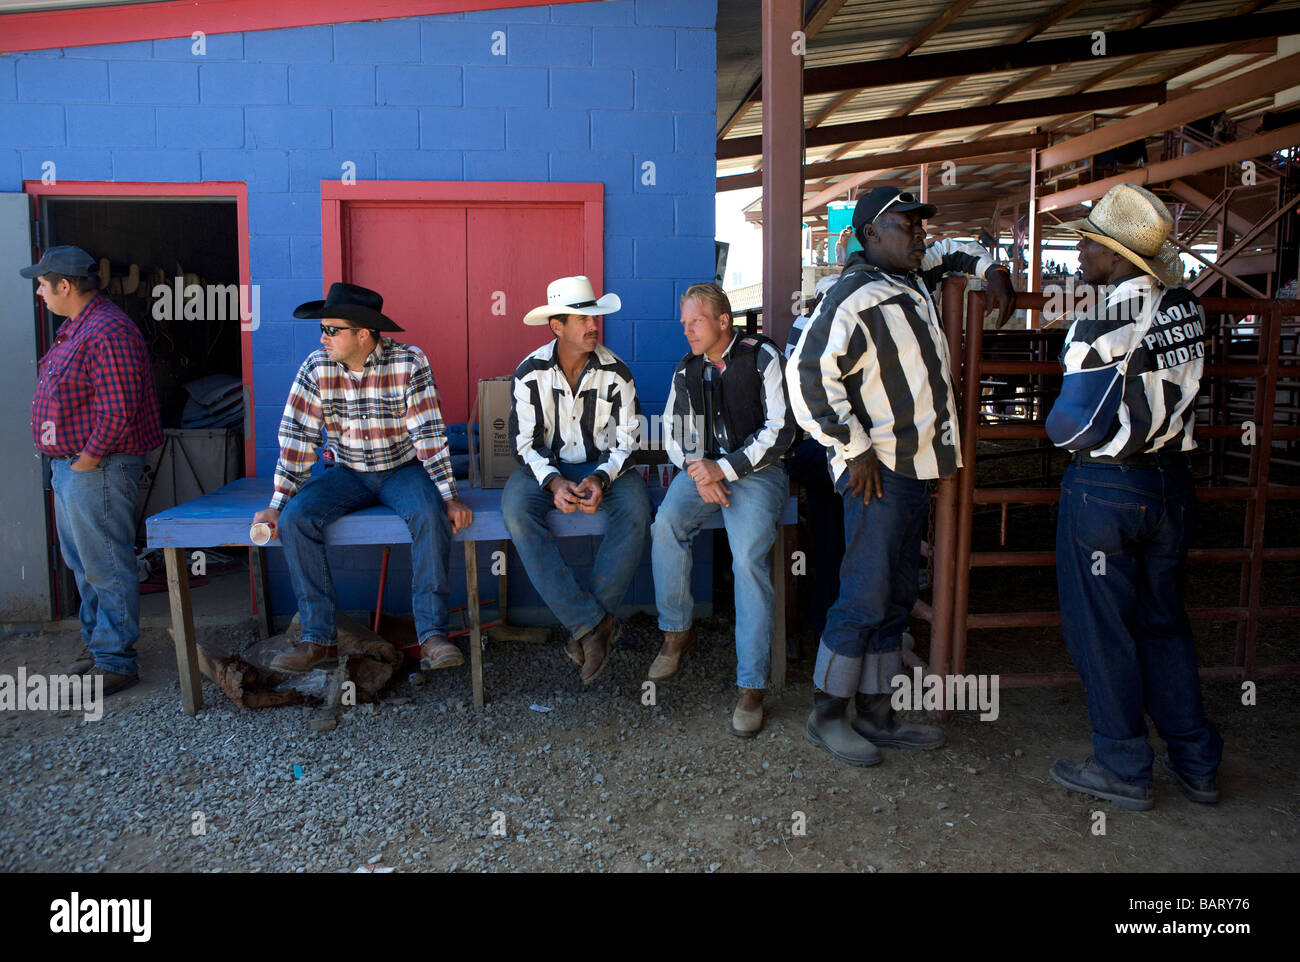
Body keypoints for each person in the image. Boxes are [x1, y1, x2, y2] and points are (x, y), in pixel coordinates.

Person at [787, 185, 1016, 767]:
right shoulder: (850, 295)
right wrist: (853, 448)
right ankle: (827, 714)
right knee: (863, 592)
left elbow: (958, 250)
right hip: (879, 471)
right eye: (906, 226)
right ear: (870, 235)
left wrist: (995, 271)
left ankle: (876, 709)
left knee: (895, 592)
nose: (919, 235)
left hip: (916, 468)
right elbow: (806, 374)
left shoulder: (911, 277)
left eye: (919, 225)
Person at [1048, 182, 1222, 810]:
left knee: (1103, 628)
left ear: (1119, 259)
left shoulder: (1098, 320)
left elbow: (1072, 423)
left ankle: (1122, 763)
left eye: (1089, 245)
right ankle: (1196, 759)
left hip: (1108, 486)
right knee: (1166, 624)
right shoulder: (1185, 309)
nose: (1081, 256)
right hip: (1173, 483)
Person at [252, 283, 472, 673]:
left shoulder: (409, 361)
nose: (323, 338)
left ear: (363, 334)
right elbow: (298, 438)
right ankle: (318, 640)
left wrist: (449, 495)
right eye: (322, 329)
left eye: (331, 329)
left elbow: (429, 433)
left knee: (428, 512)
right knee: (295, 520)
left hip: (402, 470)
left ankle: (433, 636)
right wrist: (277, 504)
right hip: (347, 473)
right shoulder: (316, 367)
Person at [650, 282, 795, 736]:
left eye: (695, 321)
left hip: (758, 473)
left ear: (722, 321)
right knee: (666, 524)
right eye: (684, 323)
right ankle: (677, 633)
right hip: (703, 472)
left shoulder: (762, 356)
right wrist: (700, 471)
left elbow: (782, 429)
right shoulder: (687, 369)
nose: (688, 330)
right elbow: (672, 433)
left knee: (748, 560)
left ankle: (751, 687)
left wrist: (725, 469)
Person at [24, 245, 164, 696]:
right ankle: (99, 645)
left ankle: (116, 660)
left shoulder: (107, 330)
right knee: (83, 563)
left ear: (65, 285)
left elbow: (118, 406)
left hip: (97, 467)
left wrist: (86, 460)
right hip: (73, 468)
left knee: (105, 563)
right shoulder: (78, 327)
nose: (40, 293)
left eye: (43, 284)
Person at [503, 276, 651, 685]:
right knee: (516, 512)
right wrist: (553, 483)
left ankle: (590, 626)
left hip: (605, 468)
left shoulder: (617, 373)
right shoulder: (529, 373)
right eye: (582, 318)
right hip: (545, 469)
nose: (592, 326)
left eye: (594, 317)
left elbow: (627, 443)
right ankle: (592, 624)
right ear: (557, 327)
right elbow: (523, 446)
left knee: (638, 510)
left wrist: (602, 478)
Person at [784, 274, 845, 652]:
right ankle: (832, 624)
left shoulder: (804, 325)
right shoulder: (826, 326)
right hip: (827, 450)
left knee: (829, 534)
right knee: (838, 533)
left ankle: (824, 623)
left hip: (816, 451)